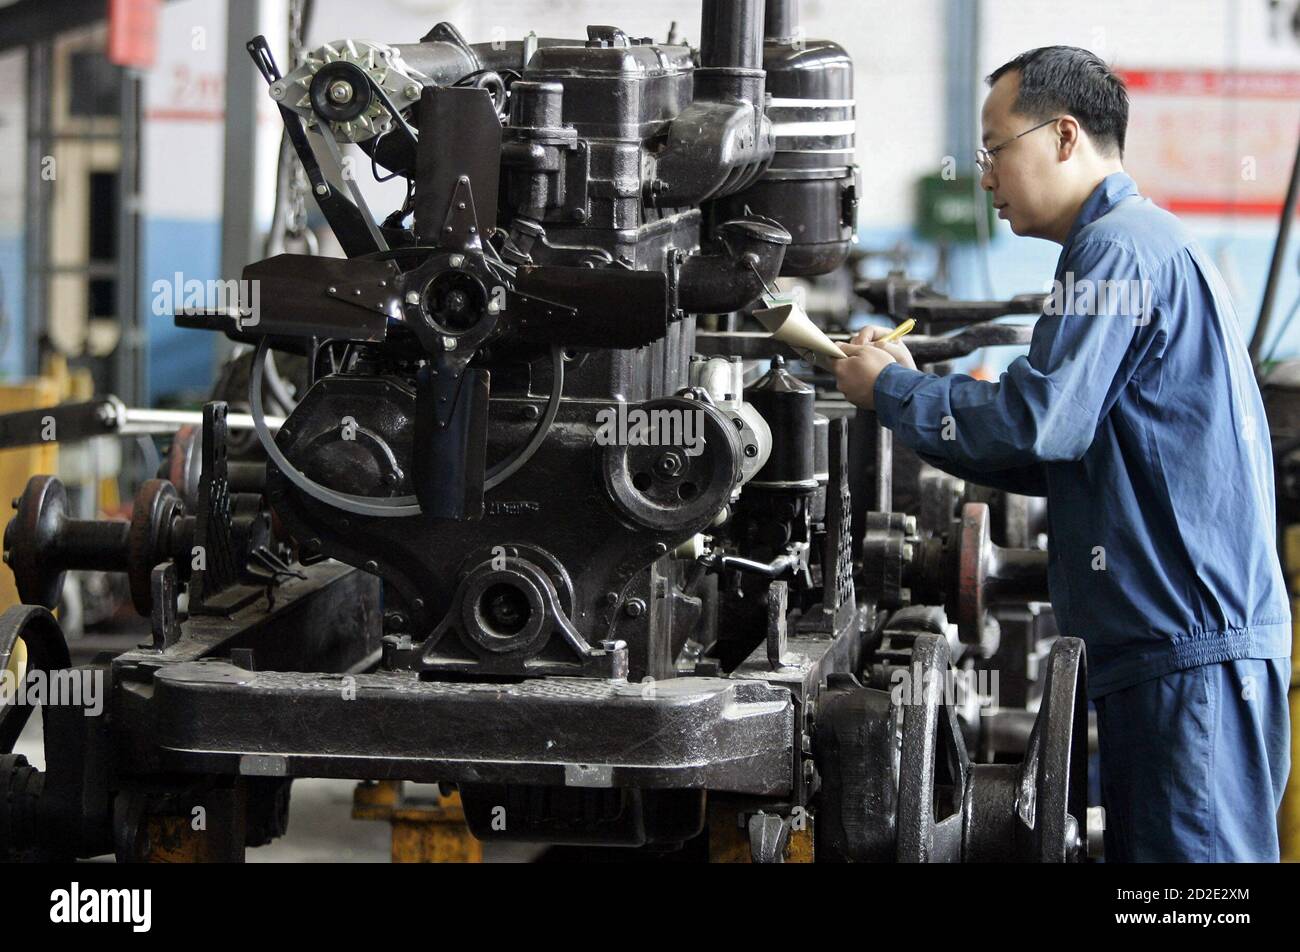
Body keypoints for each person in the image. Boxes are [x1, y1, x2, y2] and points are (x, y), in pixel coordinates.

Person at [832, 46, 1292, 862]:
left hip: (1186, 659)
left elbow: (1040, 421)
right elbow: (1052, 453)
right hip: (1167, 655)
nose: (984, 177)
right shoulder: (1136, 245)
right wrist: (905, 393)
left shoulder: (1117, 248)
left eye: (994, 150)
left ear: (1065, 136)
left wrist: (895, 395)